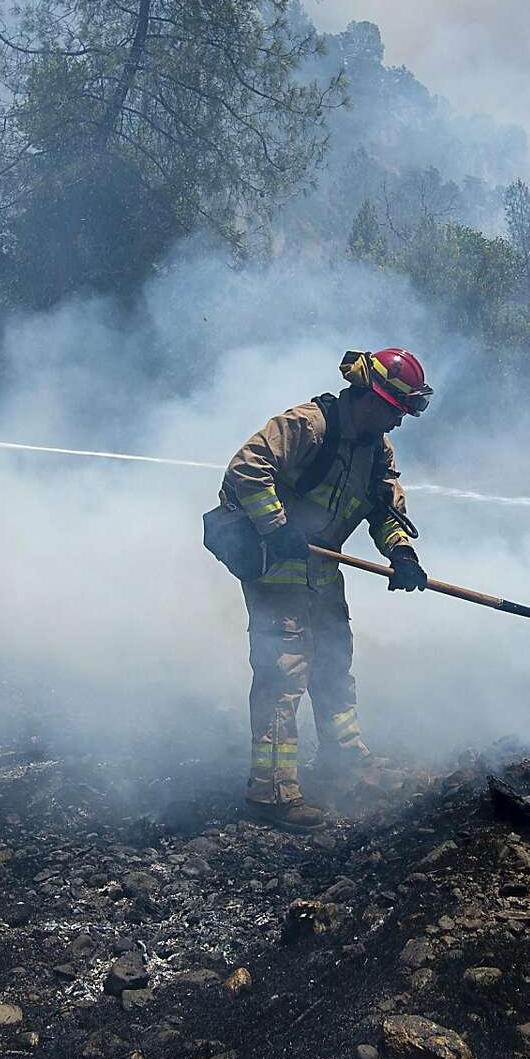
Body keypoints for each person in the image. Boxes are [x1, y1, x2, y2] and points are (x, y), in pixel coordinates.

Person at [218, 348, 433, 830]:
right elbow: (246, 467)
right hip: (277, 568)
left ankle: (343, 758)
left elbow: (384, 507)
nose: (398, 422)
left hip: (322, 571)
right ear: (369, 397)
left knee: (335, 663)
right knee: (283, 674)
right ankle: (270, 793)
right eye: (394, 410)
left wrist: (400, 553)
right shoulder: (308, 426)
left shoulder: (376, 448)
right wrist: (276, 526)